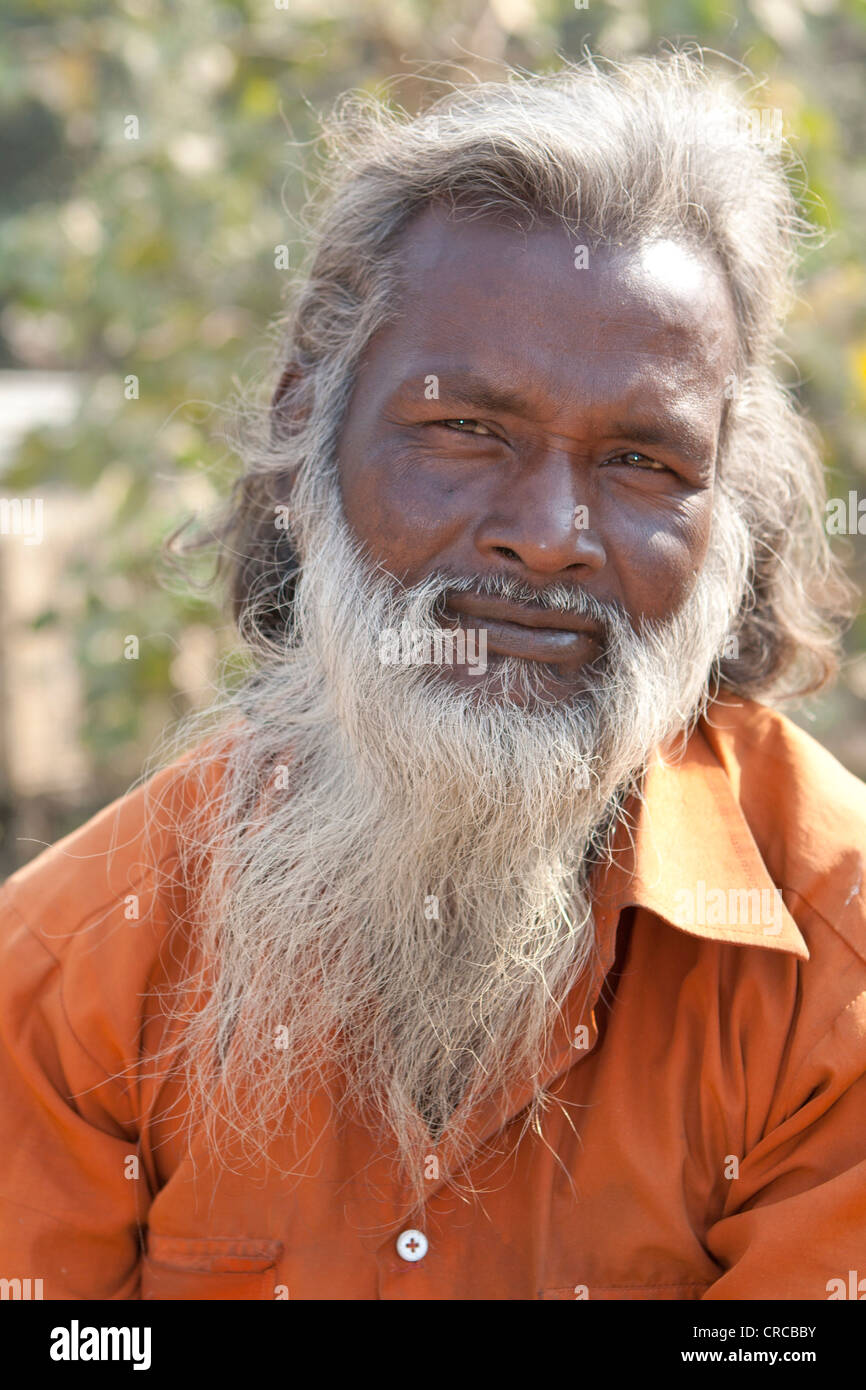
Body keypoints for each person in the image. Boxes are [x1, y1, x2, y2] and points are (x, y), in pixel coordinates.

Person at [1, 50, 864, 1302]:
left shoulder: (833, 967)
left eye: (641, 462)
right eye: (465, 429)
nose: (549, 536)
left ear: (725, 508)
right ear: (306, 425)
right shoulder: (67, 966)